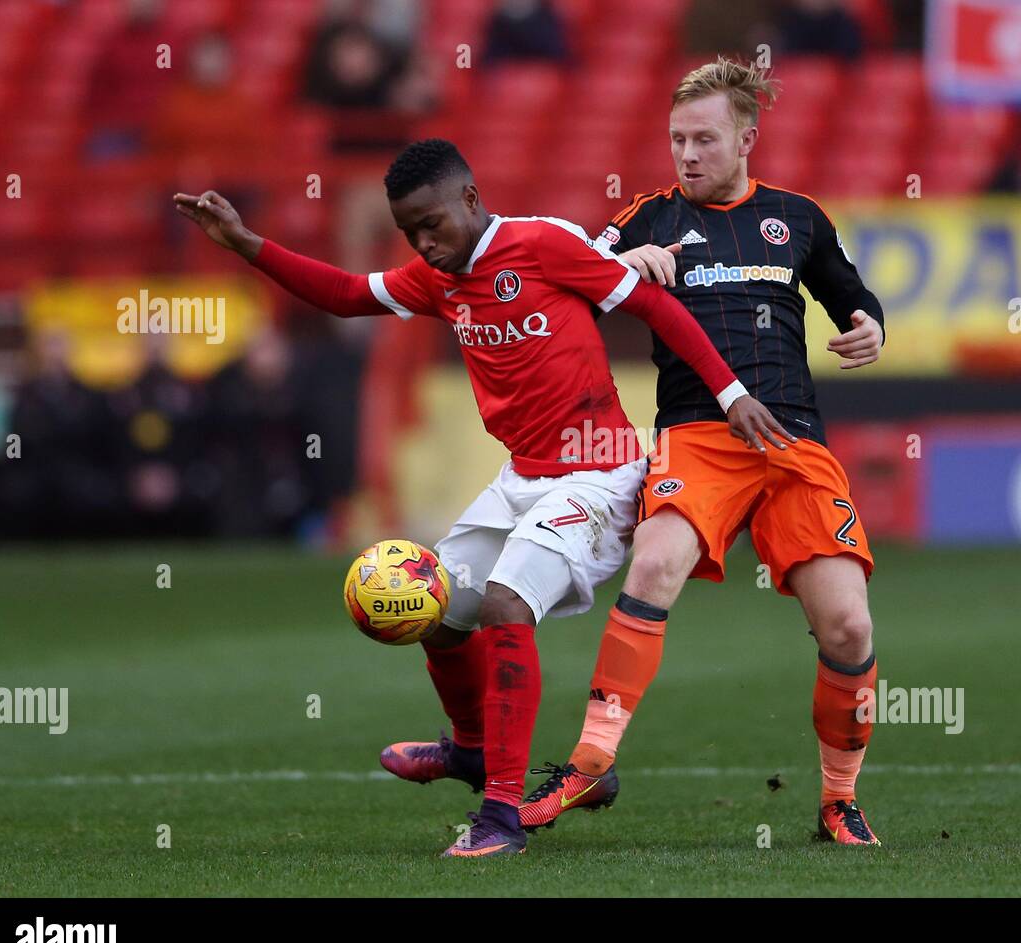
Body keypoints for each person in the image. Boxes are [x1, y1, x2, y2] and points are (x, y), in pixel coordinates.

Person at [173, 139, 787, 857]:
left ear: (469, 199)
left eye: (431, 223)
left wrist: (733, 392)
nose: (423, 241)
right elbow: (343, 296)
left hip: (601, 473)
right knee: (435, 606)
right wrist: (247, 243)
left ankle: (500, 816)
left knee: (503, 603)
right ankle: (469, 748)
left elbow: (655, 306)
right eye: (409, 231)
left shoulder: (541, 245)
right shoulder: (437, 280)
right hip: (521, 478)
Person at [518, 57, 889, 846]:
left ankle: (838, 800)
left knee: (850, 630)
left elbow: (847, 289)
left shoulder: (798, 217)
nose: (687, 155)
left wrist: (869, 323)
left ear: (748, 137)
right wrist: (620, 265)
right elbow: (566, 276)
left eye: (705, 140)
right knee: (652, 564)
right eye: (677, 139)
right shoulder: (646, 218)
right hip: (697, 434)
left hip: (792, 441)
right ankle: (590, 762)